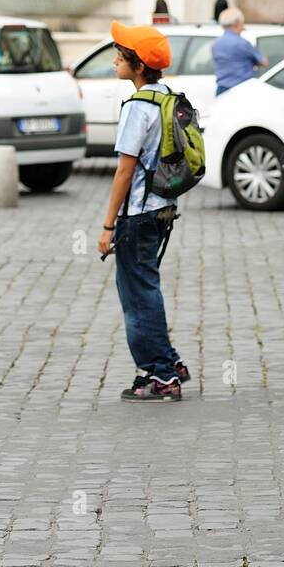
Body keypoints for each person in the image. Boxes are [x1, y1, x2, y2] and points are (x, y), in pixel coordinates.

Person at [97, 23, 189, 402]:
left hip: (136, 214)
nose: (116, 57)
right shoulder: (167, 95)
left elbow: (125, 170)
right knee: (146, 287)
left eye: (122, 53)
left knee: (138, 296)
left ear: (138, 66)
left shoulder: (138, 107)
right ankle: (169, 360)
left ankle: (162, 375)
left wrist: (107, 226)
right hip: (162, 208)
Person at [212, 7, 266, 95]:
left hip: (221, 89)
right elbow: (264, 62)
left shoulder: (216, 44)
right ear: (237, 23)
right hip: (241, 90)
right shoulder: (243, 43)